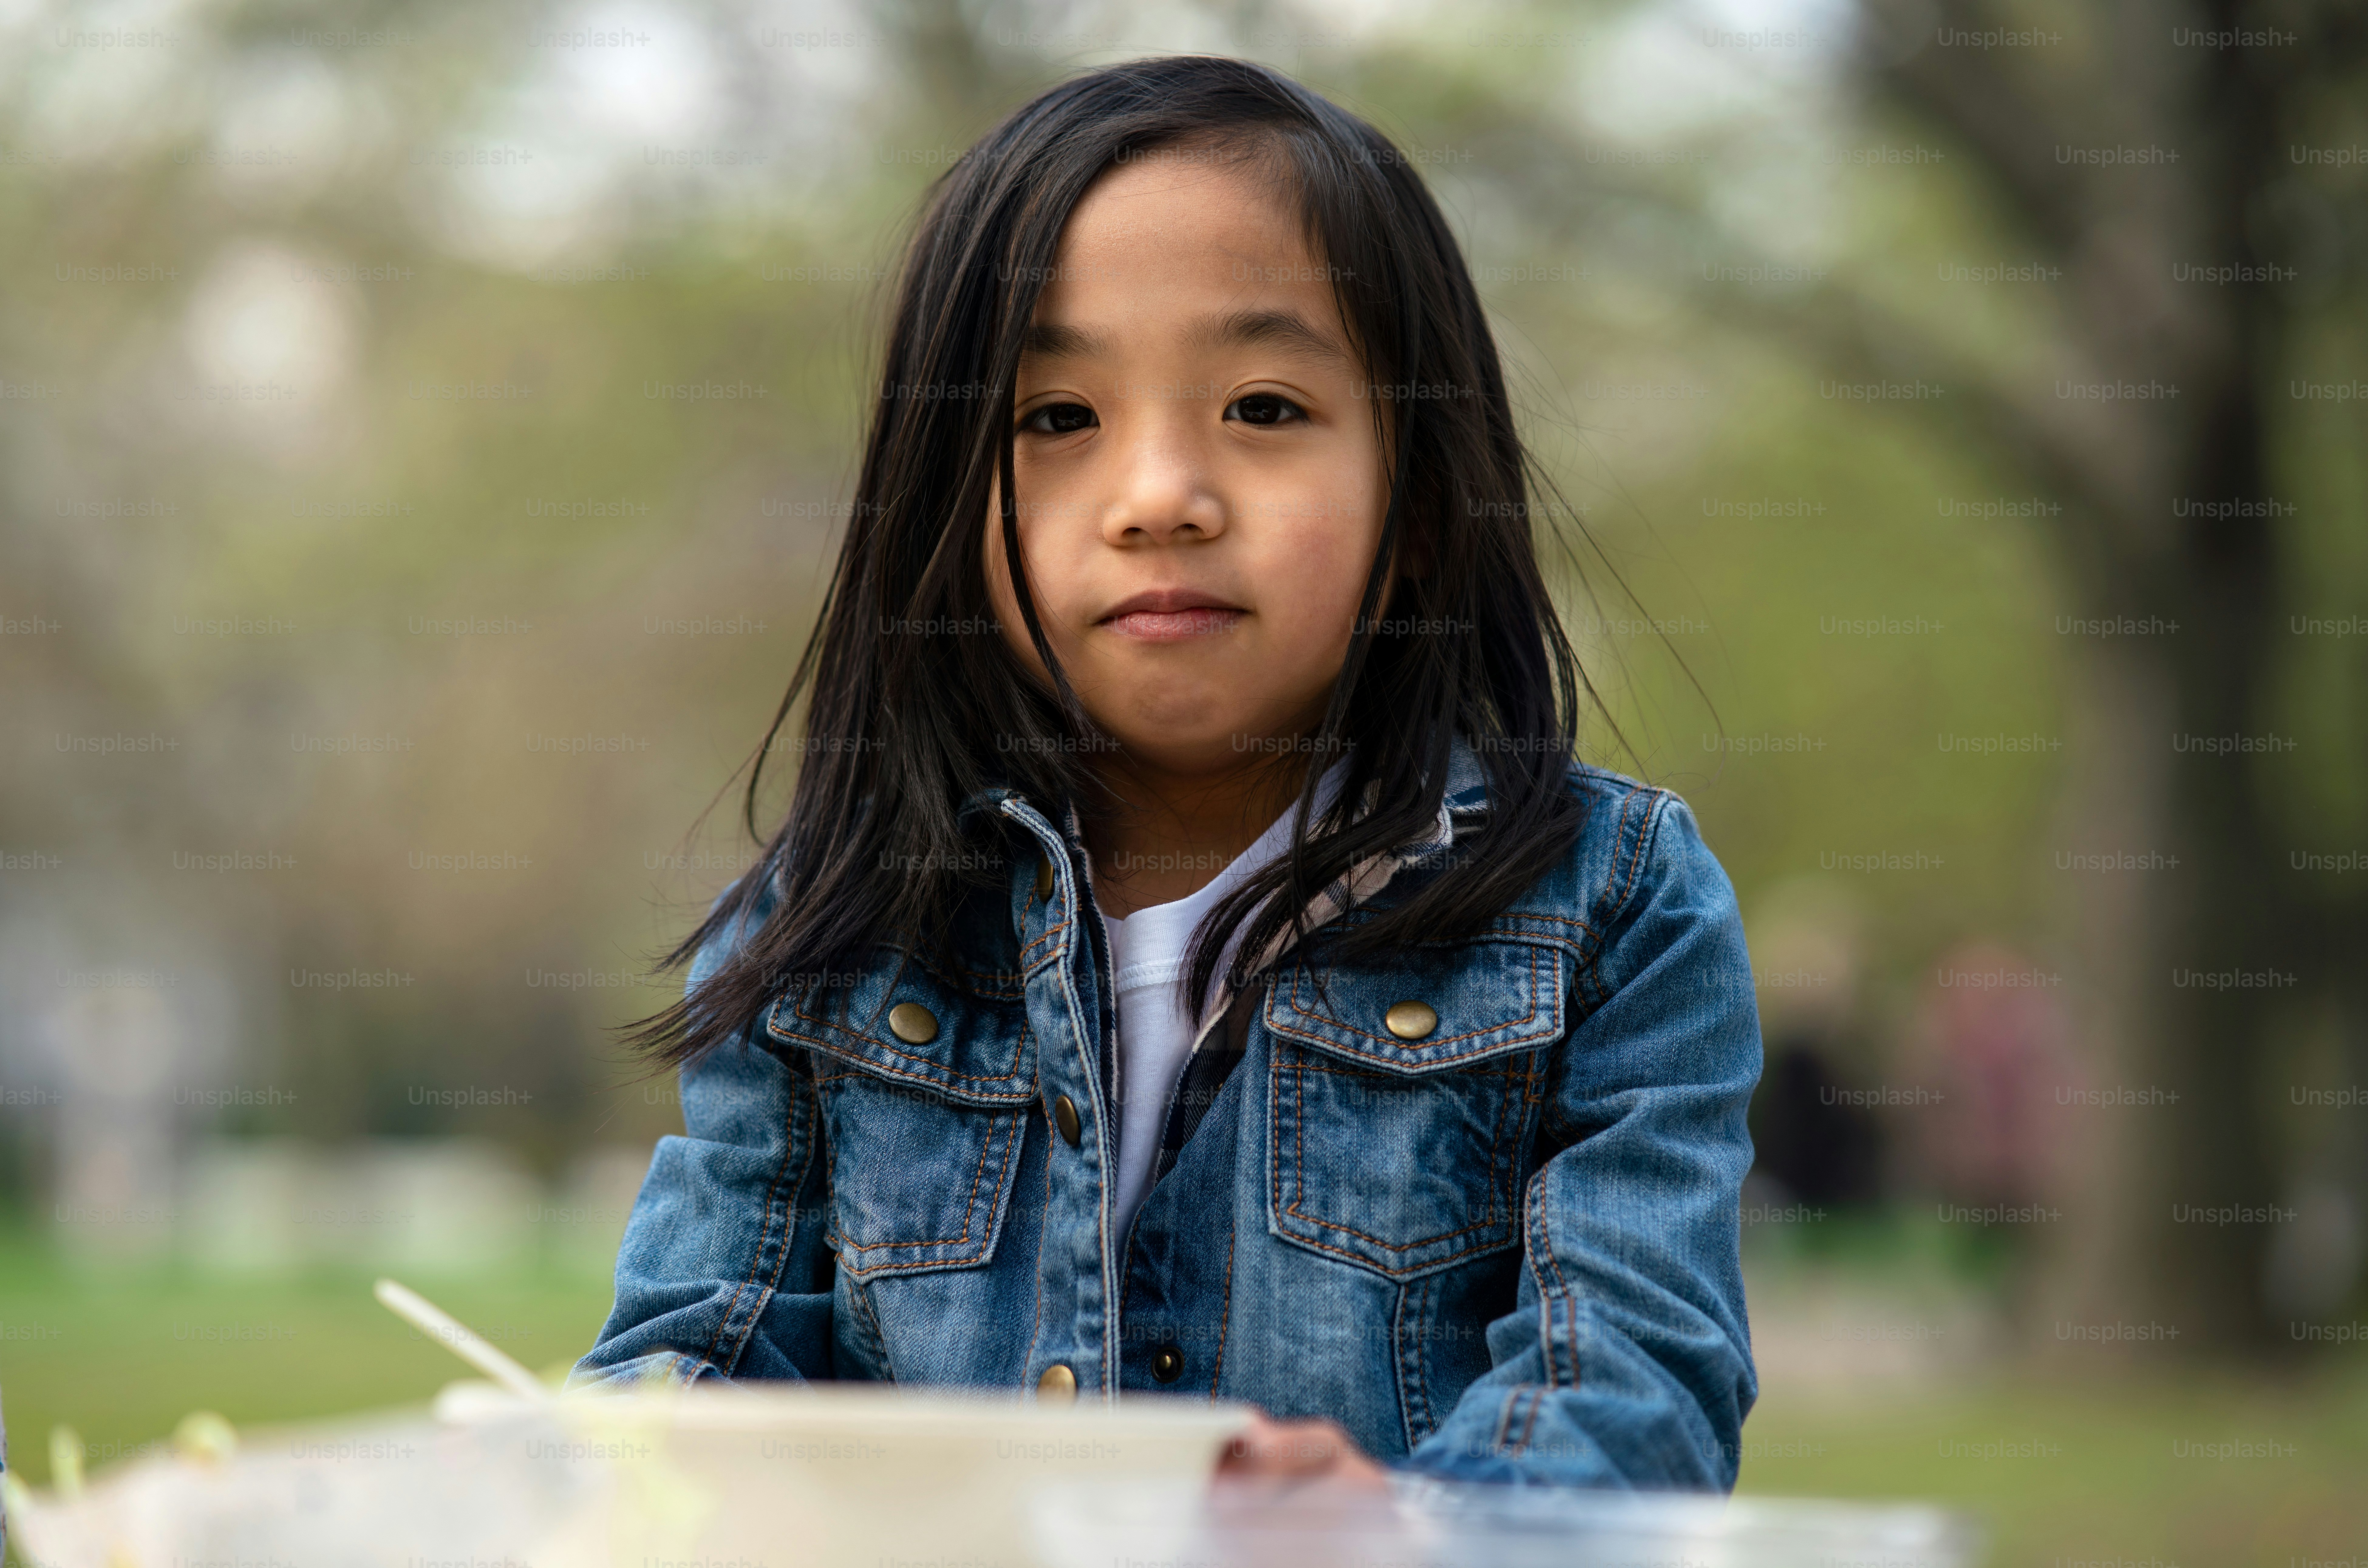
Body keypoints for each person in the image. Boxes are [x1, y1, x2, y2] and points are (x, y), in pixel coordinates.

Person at [573, 54, 1762, 1493]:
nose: (1158, 500)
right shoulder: (829, 925)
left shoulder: (1610, 908)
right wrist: (631, 1454)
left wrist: (1419, 1521)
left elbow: (1639, 1382)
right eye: (1056, 418)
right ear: (946, 511)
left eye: (1263, 407)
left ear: (1428, 500)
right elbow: (700, 1357)